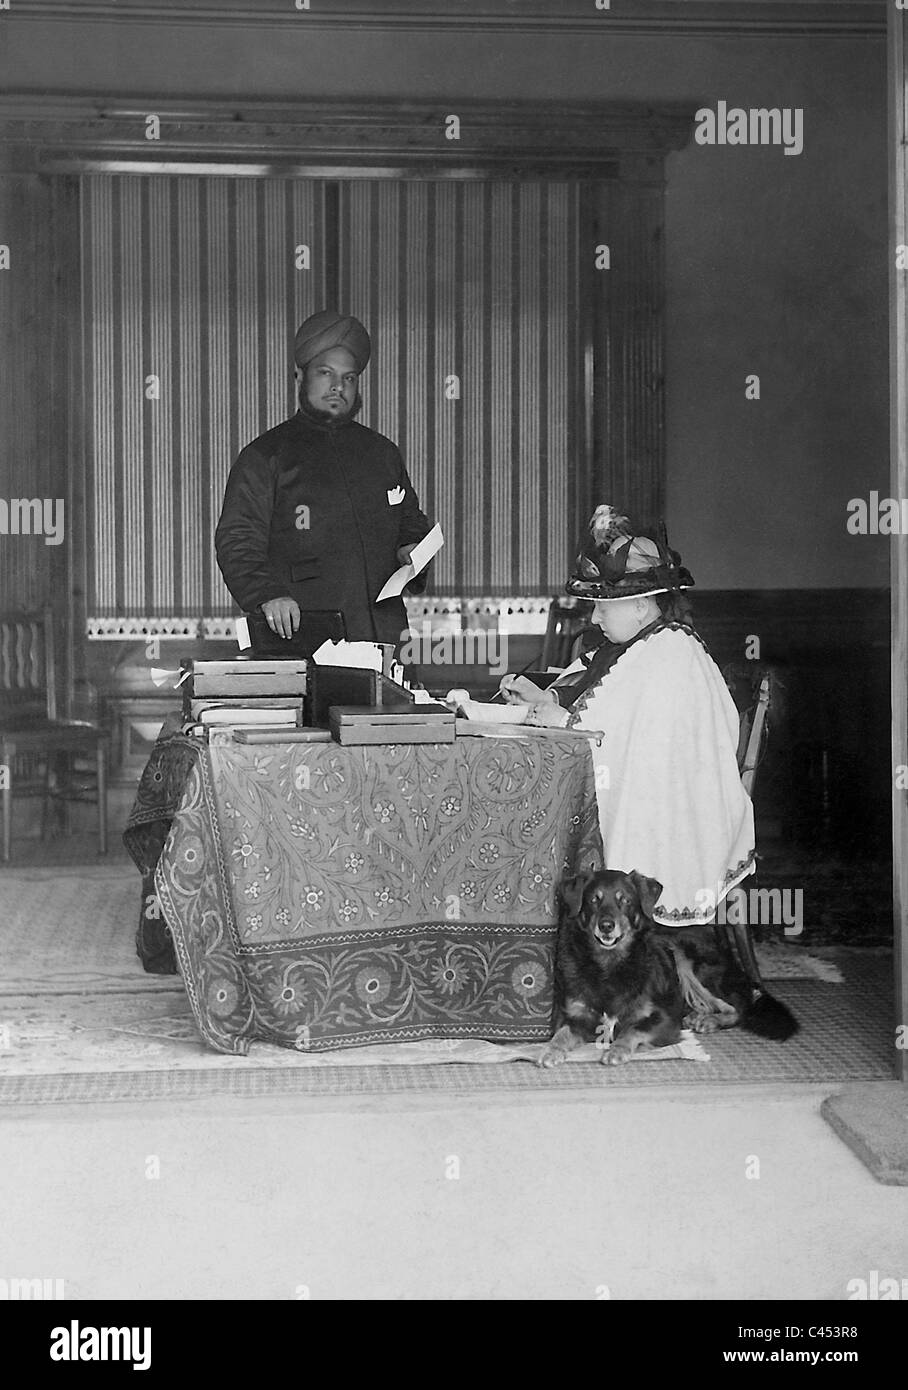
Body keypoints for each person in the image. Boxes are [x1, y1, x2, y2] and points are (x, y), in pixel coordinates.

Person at [499, 505, 756, 925]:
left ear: (641, 606)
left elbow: (635, 746)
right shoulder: (628, 648)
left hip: (673, 809)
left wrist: (559, 720)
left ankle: (536, 927)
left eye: (604, 607)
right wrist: (540, 699)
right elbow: (601, 713)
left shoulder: (670, 651)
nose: (595, 617)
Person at [215, 309, 433, 645]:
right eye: (325, 373)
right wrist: (267, 594)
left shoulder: (382, 453)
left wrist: (412, 546)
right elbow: (237, 541)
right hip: (305, 636)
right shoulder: (265, 456)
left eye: (348, 378)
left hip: (386, 634)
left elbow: (410, 521)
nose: (337, 387)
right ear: (299, 376)